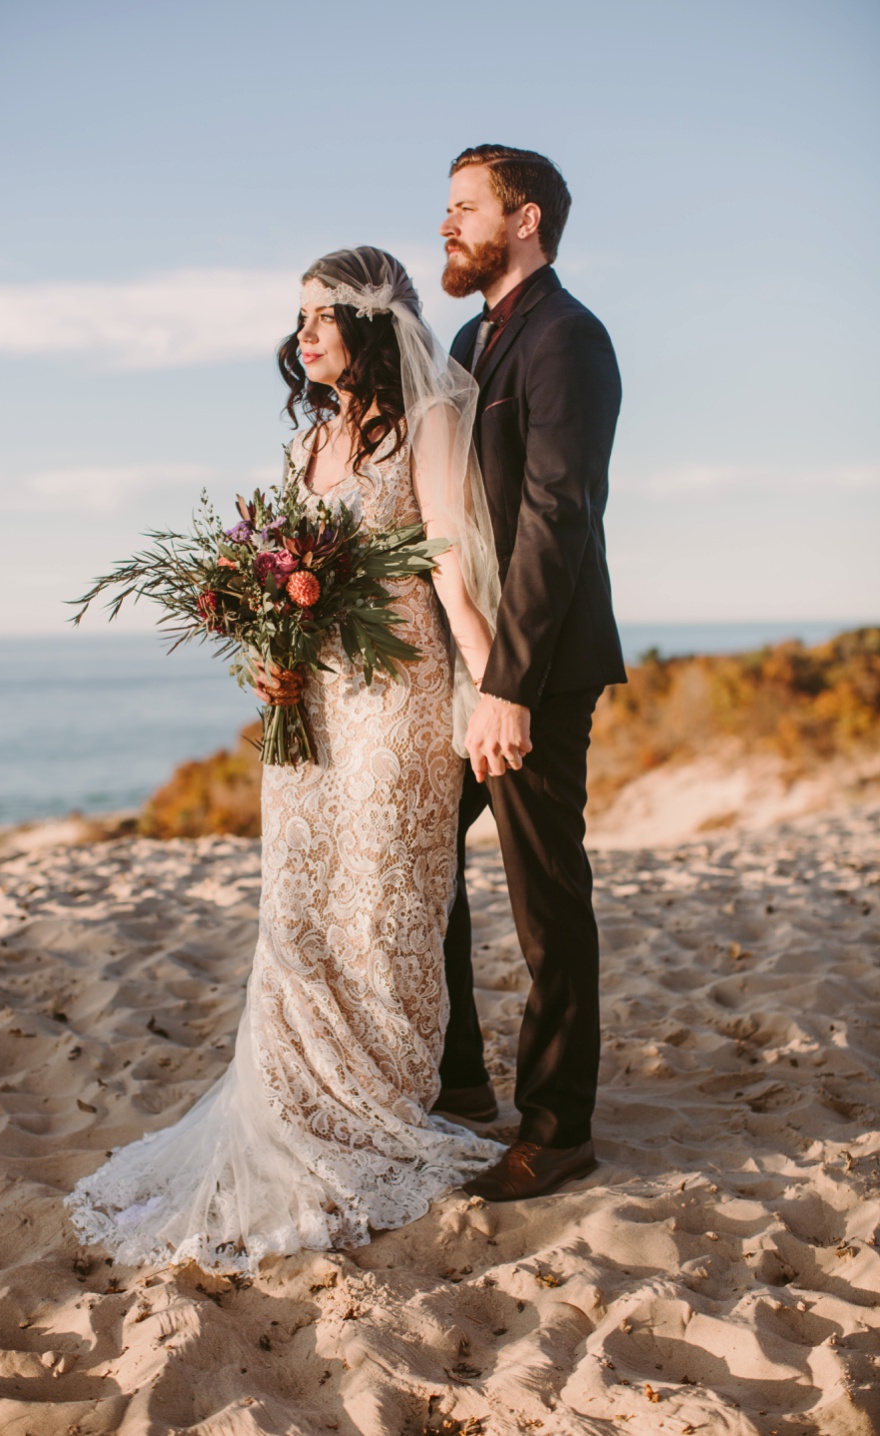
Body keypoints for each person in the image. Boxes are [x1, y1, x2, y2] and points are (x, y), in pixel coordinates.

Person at [67, 249, 506, 1274]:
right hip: (308, 715)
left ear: (374, 323)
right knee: (301, 903)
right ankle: (298, 1100)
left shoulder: (430, 424)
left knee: (384, 903)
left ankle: (378, 1106)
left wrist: (488, 684)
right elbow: (282, 582)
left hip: (397, 708)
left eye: (324, 314)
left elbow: (448, 559)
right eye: (298, 316)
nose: (304, 334)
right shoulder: (305, 446)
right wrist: (269, 659)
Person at [434, 145, 625, 1202]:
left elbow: (560, 514)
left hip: (537, 667)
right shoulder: (473, 338)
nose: (448, 224)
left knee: (545, 892)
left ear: (528, 218)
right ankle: (460, 1080)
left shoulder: (570, 338)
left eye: (466, 208)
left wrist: (505, 681)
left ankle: (556, 1129)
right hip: (472, 660)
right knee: (426, 854)